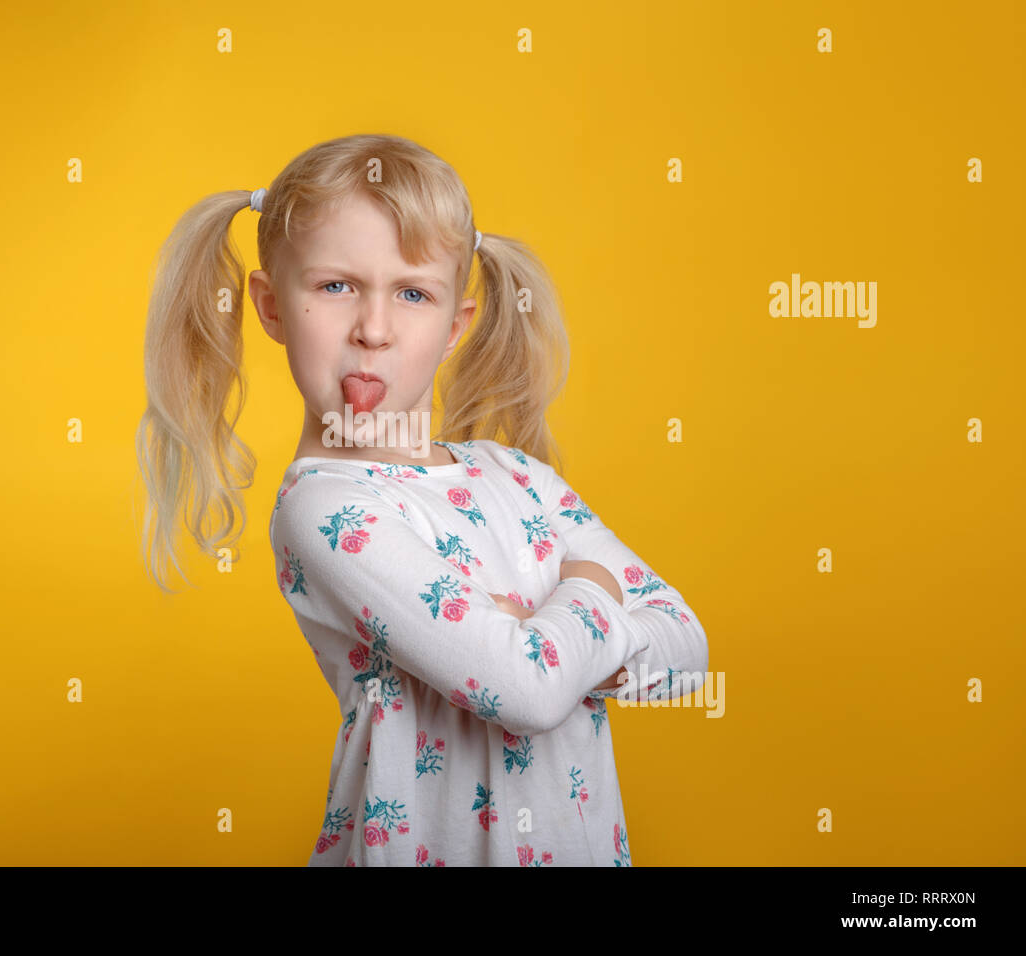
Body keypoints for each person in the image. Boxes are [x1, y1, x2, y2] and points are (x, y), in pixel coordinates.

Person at [136, 133, 708, 865]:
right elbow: (527, 692)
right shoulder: (326, 509)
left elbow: (685, 655)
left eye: (413, 294)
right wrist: (592, 591)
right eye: (335, 286)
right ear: (272, 306)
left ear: (454, 327)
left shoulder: (516, 475)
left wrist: (543, 639)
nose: (373, 330)